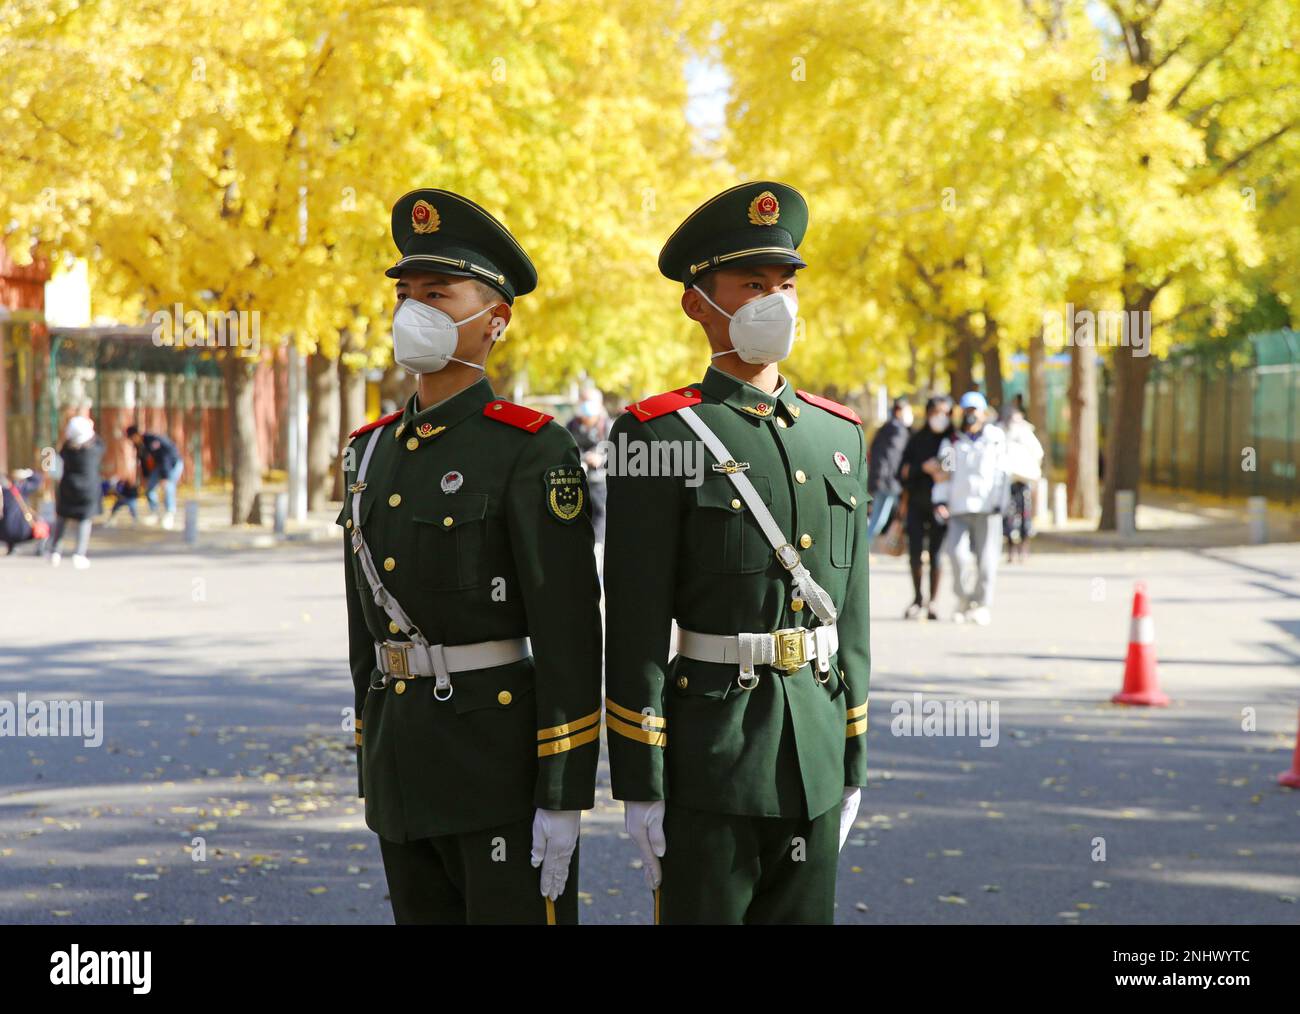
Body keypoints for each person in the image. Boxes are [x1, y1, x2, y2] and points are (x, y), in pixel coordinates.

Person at [604, 182, 871, 924]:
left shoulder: (838, 437)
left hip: (814, 752)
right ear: (699, 303)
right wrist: (640, 777)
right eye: (752, 285)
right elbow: (633, 623)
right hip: (709, 758)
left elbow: (854, 616)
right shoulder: (657, 435)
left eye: (784, 285)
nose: (774, 303)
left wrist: (853, 757)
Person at [339, 188, 602, 925]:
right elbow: (365, 633)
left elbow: (569, 634)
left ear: (494, 320)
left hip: (498, 771)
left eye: (437, 294)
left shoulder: (529, 448)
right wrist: (372, 754)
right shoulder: (371, 451)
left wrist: (563, 790)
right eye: (406, 293)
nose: (411, 311)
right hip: (402, 763)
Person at [927, 391, 1009, 625]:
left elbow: (1002, 473)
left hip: (987, 508)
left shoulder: (995, 439)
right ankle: (963, 599)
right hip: (959, 507)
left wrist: (999, 502)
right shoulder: (952, 442)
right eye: (967, 410)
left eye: (975, 410)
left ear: (983, 413)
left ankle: (981, 604)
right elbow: (944, 475)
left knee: (987, 559)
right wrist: (940, 501)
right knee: (956, 554)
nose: (971, 415)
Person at [897, 395, 952, 620]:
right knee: (915, 554)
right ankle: (918, 598)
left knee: (937, 556)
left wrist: (942, 473)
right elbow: (903, 471)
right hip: (917, 503)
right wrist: (924, 468)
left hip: (941, 506)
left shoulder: (953, 440)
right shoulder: (916, 439)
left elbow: (953, 473)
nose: (941, 417)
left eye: (946, 413)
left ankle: (934, 602)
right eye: (937, 412)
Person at [50, 416, 105, 570]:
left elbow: (61, 451)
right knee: (84, 521)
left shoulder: (67, 450)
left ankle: (55, 551)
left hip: (68, 487)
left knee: (62, 519)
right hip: (88, 490)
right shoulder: (94, 450)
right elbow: (99, 441)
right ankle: (79, 554)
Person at [565, 388, 610, 547]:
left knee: (599, 515)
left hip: (599, 483)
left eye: (590, 401)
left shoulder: (608, 426)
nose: (586, 405)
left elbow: (618, 454)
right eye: (583, 401)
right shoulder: (571, 425)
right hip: (576, 483)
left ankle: (597, 549)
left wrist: (601, 458)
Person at [1001, 403, 1044, 563]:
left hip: (1024, 481)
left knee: (1026, 517)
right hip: (1008, 481)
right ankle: (1011, 552)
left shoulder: (1027, 435)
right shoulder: (1002, 433)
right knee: (1009, 518)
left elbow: (1038, 453)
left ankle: (1024, 551)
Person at [866, 397, 912, 540]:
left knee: (878, 516)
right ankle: (863, 549)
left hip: (882, 479)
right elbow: (894, 459)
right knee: (879, 519)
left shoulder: (886, 429)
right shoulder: (897, 431)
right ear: (899, 411)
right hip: (888, 481)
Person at [125, 425, 182, 529]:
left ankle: (169, 514)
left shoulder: (152, 440)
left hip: (172, 464)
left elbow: (165, 457)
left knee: (168, 487)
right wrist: (146, 477)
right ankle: (154, 513)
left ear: (137, 435)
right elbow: (143, 462)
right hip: (159, 466)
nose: (131, 440)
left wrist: (165, 477)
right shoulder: (139, 445)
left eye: (132, 437)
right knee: (150, 488)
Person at [2, 469, 47, 554]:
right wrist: (29, 473)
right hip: (22, 532)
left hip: (4, 532)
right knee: (43, 525)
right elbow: (38, 479)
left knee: (8, 522)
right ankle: (40, 549)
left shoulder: (4, 491)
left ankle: (11, 547)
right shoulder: (23, 488)